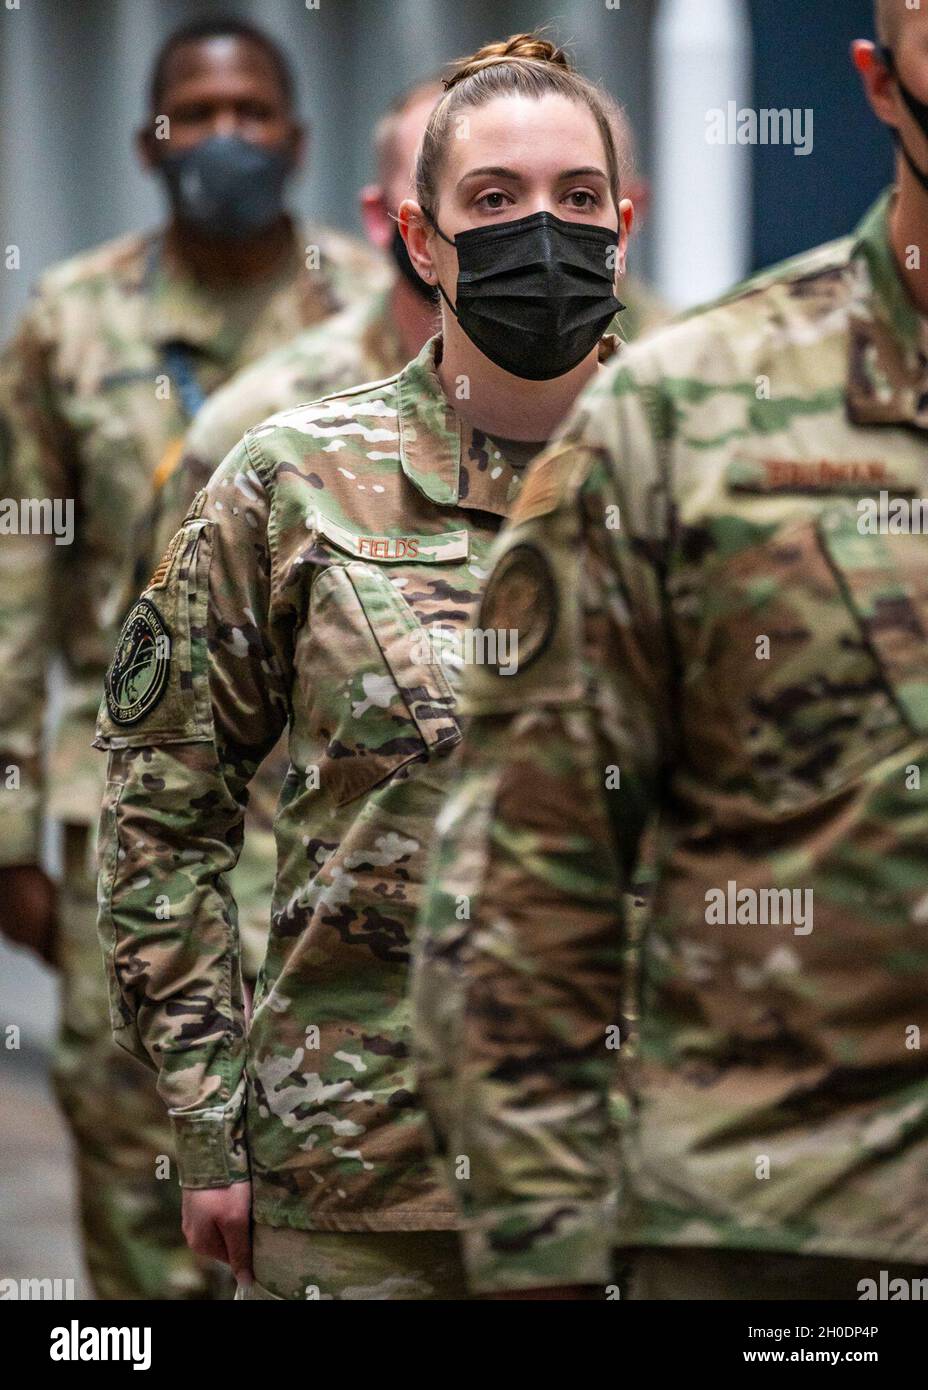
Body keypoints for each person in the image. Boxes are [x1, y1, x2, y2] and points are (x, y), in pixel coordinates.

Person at [94, 32, 634, 1300]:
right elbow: (160, 813)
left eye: (575, 199)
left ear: (625, 219)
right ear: (421, 237)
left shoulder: (712, 473)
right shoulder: (290, 479)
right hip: (359, 1182)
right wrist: (206, 1116)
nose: (540, 232)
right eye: (492, 200)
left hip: (653, 1177)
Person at [412, 0, 928, 1300]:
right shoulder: (691, 416)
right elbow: (531, 874)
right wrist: (541, 1252)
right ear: (877, 79)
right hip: (791, 1228)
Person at [0, 17, 385, 1301]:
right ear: (148, 140)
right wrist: (9, 834)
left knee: (328, 1186)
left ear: (299, 136)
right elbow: (14, 578)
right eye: (197, 113)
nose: (227, 138)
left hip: (338, 815)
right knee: (137, 1159)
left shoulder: (377, 305)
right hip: (124, 813)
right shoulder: (71, 319)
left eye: (254, 113)